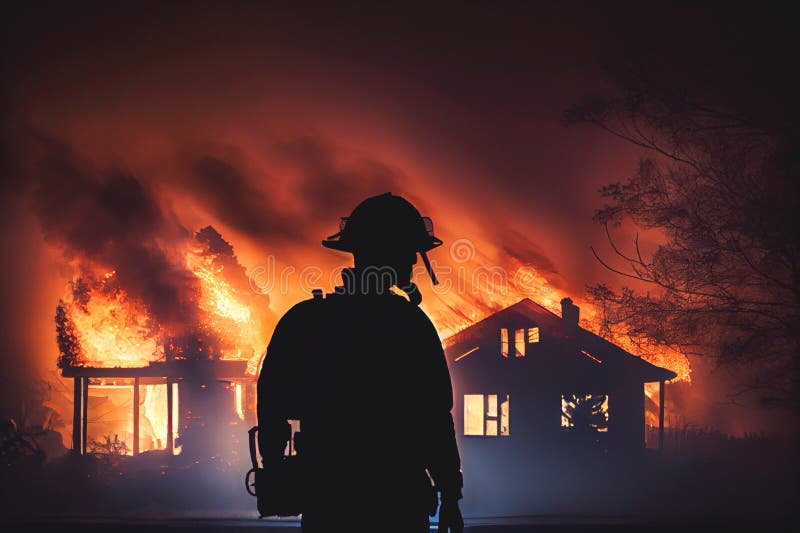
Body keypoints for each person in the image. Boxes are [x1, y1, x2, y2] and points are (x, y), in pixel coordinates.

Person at [257, 193, 464, 532]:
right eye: (409, 253)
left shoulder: (307, 321)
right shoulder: (409, 326)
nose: (413, 262)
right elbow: (434, 418)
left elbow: (273, 402)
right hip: (397, 498)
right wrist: (450, 497)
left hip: (329, 499)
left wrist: (275, 466)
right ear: (393, 255)